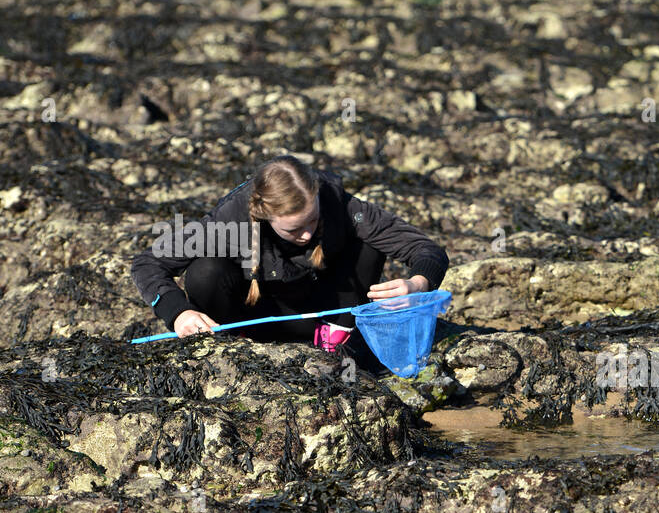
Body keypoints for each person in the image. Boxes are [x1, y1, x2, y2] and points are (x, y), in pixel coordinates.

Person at [130, 155, 449, 369]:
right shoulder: (229, 221)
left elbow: (425, 249)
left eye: (314, 221)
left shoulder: (340, 204)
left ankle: (339, 342)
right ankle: (227, 351)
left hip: (327, 314)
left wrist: (417, 283)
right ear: (265, 215)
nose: (308, 235)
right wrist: (179, 313)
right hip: (255, 318)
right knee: (205, 270)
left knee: (367, 240)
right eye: (295, 229)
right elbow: (147, 264)